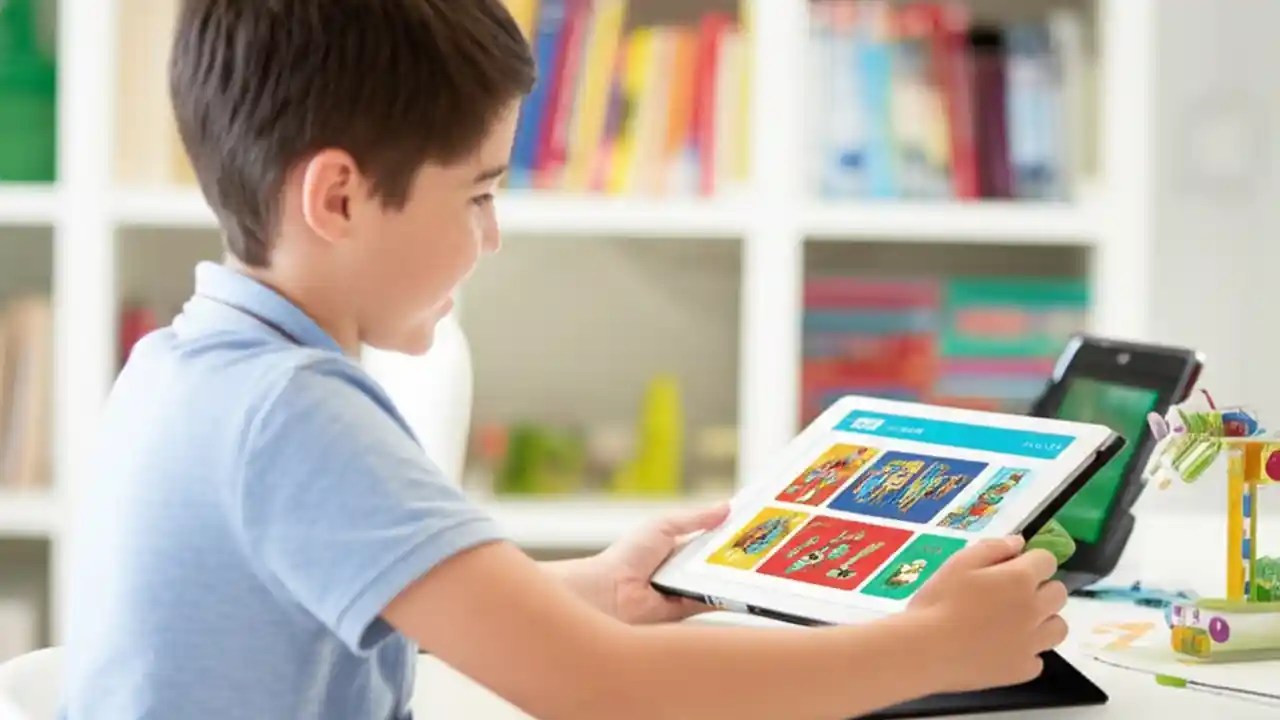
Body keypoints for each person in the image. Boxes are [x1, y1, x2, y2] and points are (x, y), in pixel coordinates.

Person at [61, 2, 1069, 718]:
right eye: (477, 194)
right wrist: (926, 648)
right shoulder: (293, 408)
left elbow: (335, 604)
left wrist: (595, 588)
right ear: (338, 199)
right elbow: (609, 693)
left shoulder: (184, 362)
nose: (490, 235)